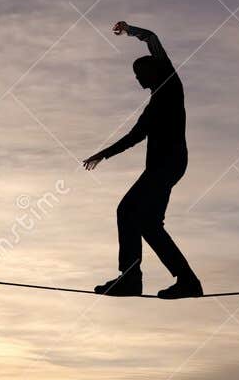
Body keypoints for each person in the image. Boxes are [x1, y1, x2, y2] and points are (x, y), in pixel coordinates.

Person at [82, 21, 203, 298]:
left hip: (167, 165)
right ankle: (187, 281)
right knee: (148, 224)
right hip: (167, 166)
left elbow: (153, 39)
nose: (137, 79)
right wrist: (104, 154)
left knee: (126, 211)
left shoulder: (171, 85)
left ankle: (131, 278)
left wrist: (129, 29)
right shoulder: (152, 107)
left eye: (140, 73)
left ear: (153, 70)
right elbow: (134, 136)